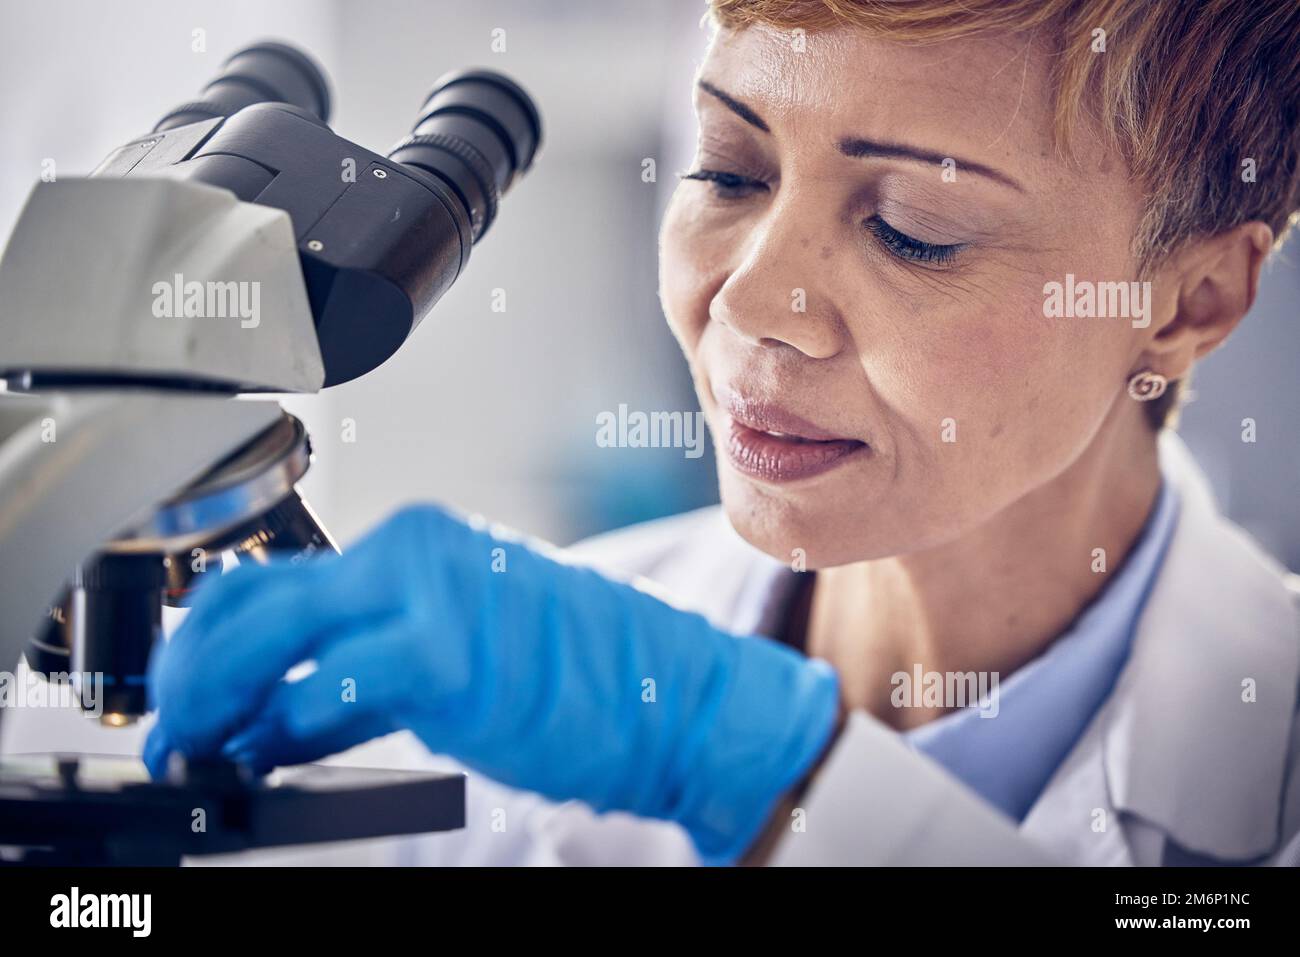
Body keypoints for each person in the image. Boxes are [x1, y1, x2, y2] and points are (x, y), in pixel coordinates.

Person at [147, 0, 1300, 866]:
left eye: (915, 231)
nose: (749, 304)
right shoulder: (526, 705)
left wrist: (781, 781)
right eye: (729, 171)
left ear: (1191, 300)